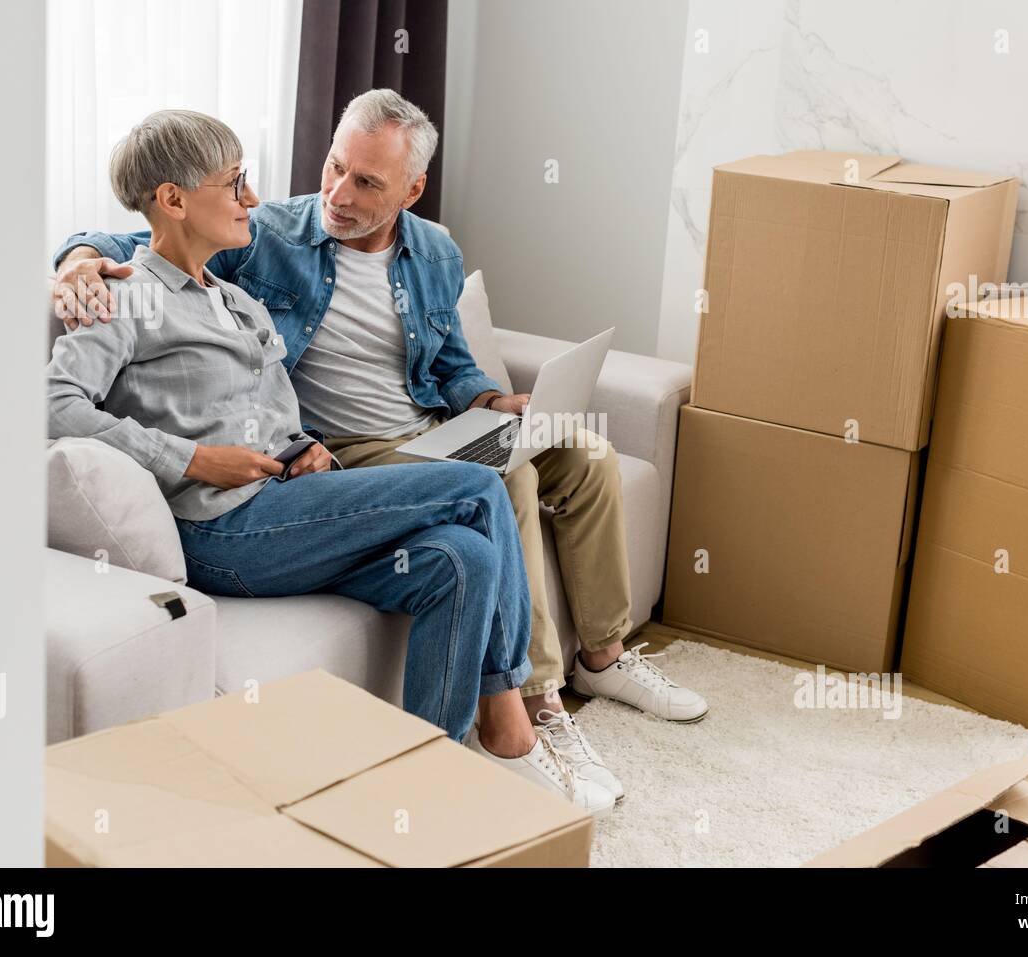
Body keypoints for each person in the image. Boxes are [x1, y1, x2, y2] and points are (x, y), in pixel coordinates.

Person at [52, 90, 709, 806]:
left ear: (410, 188)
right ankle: (514, 724)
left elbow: (278, 405)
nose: (256, 194)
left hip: (286, 497)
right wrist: (188, 457)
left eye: (366, 181)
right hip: (219, 525)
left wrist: (307, 446)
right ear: (176, 199)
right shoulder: (124, 297)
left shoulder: (240, 301)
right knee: (484, 488)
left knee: (466, 559)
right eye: (236, 182)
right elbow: (54, 405)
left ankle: (420, 785)